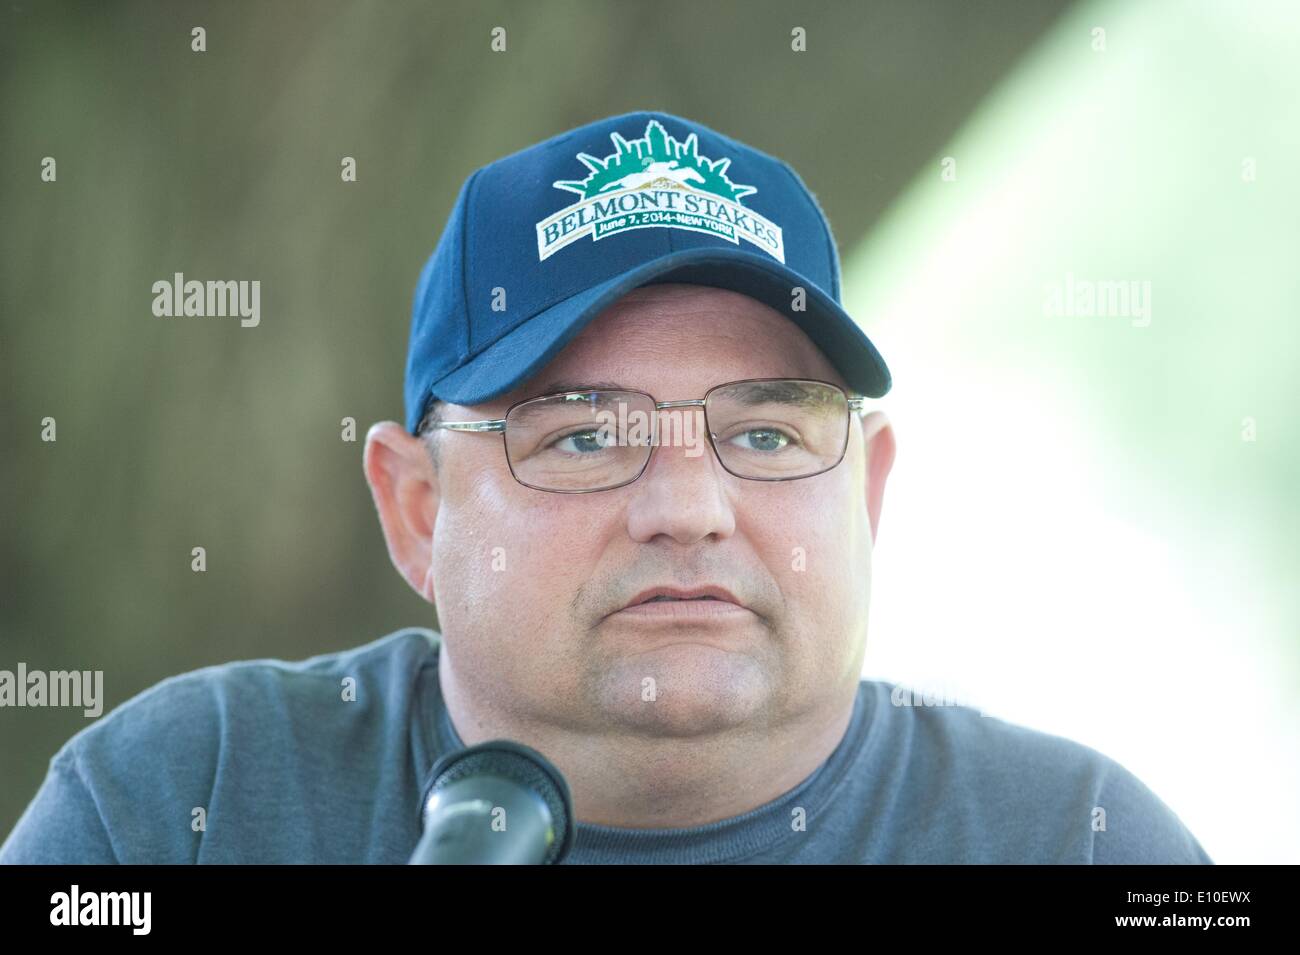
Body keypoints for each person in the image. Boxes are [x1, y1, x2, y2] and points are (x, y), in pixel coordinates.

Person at [0, 111, 1212, 864]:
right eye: (582, 437)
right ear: (418, 509)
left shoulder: (1081, 844)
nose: (688, 506)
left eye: (766, 435)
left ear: (869, 494)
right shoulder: (178, 807)